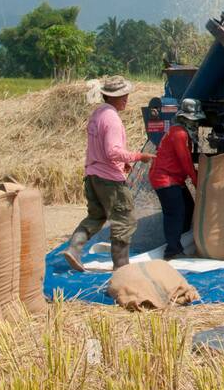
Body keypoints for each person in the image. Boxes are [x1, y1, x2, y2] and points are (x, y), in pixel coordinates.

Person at [63, 75, 155, 271]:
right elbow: (112, 151)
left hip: (92, 175)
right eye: (123, 96)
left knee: (96, 216)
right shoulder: (111, 118)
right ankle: (121, 268)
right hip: (109, 180)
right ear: (111, 97)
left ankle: (74, 249)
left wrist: (123, 164)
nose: (126, 99)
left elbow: (101, 151)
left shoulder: (97, 115)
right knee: (124, 221)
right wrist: (138, 156)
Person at [150, 98, 202, 260]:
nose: (193, 124)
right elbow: (185, 161)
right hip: (165, 179)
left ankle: (181, 243)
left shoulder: (179, 132)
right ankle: (172, 251)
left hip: (173, 179)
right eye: (190, 120)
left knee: (188, 208)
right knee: (175, 213)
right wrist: (196, 181)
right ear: (183, 119)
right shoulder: (179, 133)